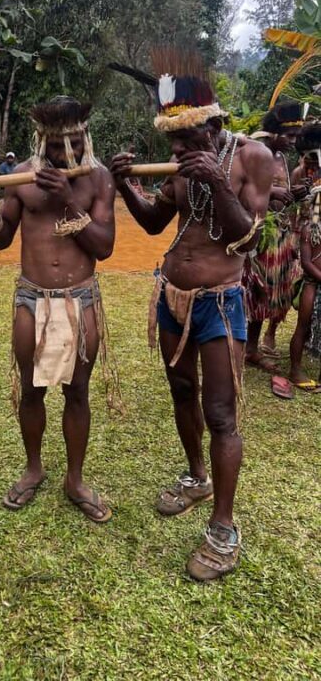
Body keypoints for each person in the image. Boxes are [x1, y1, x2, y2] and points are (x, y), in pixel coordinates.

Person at [111, 52, 273, 580]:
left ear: (218, 126)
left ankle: (223, 528)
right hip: (171, 296)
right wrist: (125, 187)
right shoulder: (181, 165)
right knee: (181, 392)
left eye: (189, 141)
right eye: (173, 143)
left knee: (222, 413)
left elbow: (247, 237)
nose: (178, 152)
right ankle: (196, 475)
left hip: (219, 302)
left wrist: (218, 183)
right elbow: (156, 223)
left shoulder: (254, 158)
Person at [0, 96, 118, 523]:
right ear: (42, 142)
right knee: (31, 389)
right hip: (32, 297)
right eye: (56, 146)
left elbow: (104, 248)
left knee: (77, 390)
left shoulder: (99, 179)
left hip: (81, 298)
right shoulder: (20, 177)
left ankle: (75, 479)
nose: (64, 154)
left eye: (73, 143)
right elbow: (2, 239)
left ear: (85, 137)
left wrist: (70, 200)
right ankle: (33, 468)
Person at [243, 102, 309, 371]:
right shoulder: (255, 153)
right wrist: (272, 194)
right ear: (273, 132)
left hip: (279, 234)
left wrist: (295, 195)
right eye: (289, 136)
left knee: (272, 292)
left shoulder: (281, 157)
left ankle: (252, 347)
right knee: (255, 292)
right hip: (257, 234)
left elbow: (285, 194)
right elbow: (241, 188)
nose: (293, 142)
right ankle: (244, 347)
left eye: (295, 137)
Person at [289, 124, 321, 391]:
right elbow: (307, 261)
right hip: (312, 283)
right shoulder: (310, 228)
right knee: (303, 325)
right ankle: (295, 368)